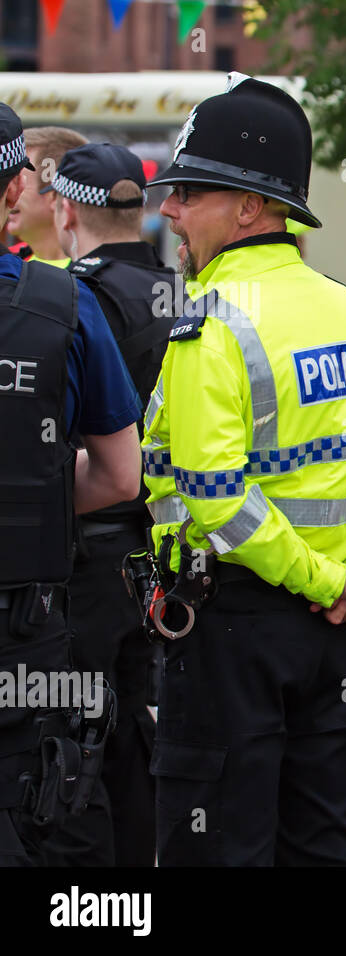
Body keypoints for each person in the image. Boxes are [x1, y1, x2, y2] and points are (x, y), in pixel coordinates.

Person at [141, 72, 346, 866]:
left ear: (251, 209)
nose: (169, 210)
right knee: (325, 841)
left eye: (188, 191)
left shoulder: (213, 323)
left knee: (219, 842)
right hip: (331, 632)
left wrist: (333, 584)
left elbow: (216, 499)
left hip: (231, 626)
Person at [0, 105, 144, 867]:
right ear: (16, 189)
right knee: (48, 811)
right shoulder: (62, 305)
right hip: (28, 621)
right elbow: (122, 474)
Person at [36, 143, 175, 867]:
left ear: (63, 212)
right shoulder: (187, 294)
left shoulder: (69, 296)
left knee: (74, 735)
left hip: (87, 551)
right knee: (132, 727)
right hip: (162, 554)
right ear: (143, 212)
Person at [6, 126, 88, 267]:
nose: (7, 193)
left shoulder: (95, 278)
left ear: (56, 197)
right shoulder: (8, 261)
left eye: (18, 181)